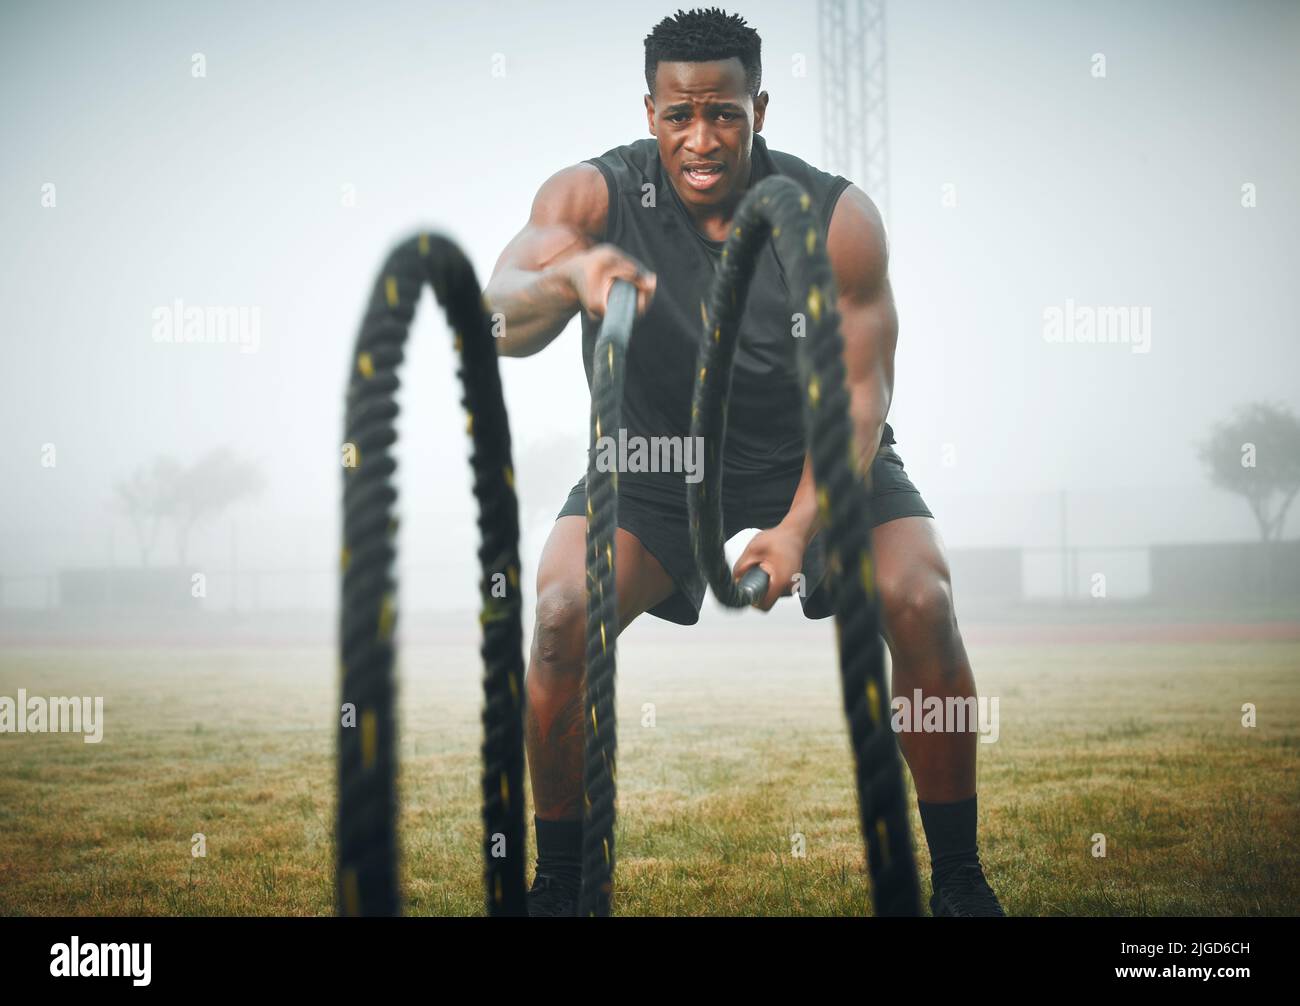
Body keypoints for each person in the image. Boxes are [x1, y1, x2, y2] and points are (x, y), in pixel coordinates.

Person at [483, 7, 1003, 918]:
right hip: (654, 461)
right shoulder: (591, 200)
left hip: (816, 455)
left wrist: (800, 529)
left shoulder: (834, 219)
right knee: (563, 611)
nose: (701, 138)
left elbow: (859, 400)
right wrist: (571, 278)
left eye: (723, 112)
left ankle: (959, 880)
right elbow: (499, 319)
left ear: (759, 106)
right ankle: (561, 887)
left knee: (923, 598)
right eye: (680, 115)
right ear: (649, 112)